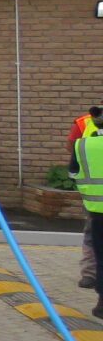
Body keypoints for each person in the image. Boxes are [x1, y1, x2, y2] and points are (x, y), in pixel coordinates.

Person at [72, 130, 103, 319]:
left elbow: (72, 173)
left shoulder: (83, 144)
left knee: (100, 256)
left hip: (97, 210)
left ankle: (102, 302)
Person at [68, 107, 100, 290]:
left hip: (93, 196)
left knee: (92, 234)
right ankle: (90, 274)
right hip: (94, 195)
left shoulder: (83, 122)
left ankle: (89, 274)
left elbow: (72, 151)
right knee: (91, 234)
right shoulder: (83, 122)